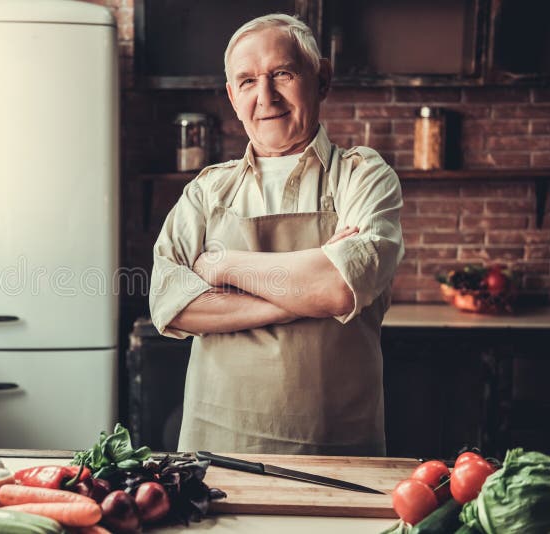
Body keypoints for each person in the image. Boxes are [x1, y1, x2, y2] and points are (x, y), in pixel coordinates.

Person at [149, 14, 404, 456]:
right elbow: (170, 304)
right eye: (247, 81)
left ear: (321, 80)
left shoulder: (362, 177)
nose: (265, 96)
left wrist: (221, 265)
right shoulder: (208, 190)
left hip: (337, 445)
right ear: (232, 96)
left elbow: (339, 288)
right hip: (220, 441)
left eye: (282, 74)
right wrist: (302, 296)